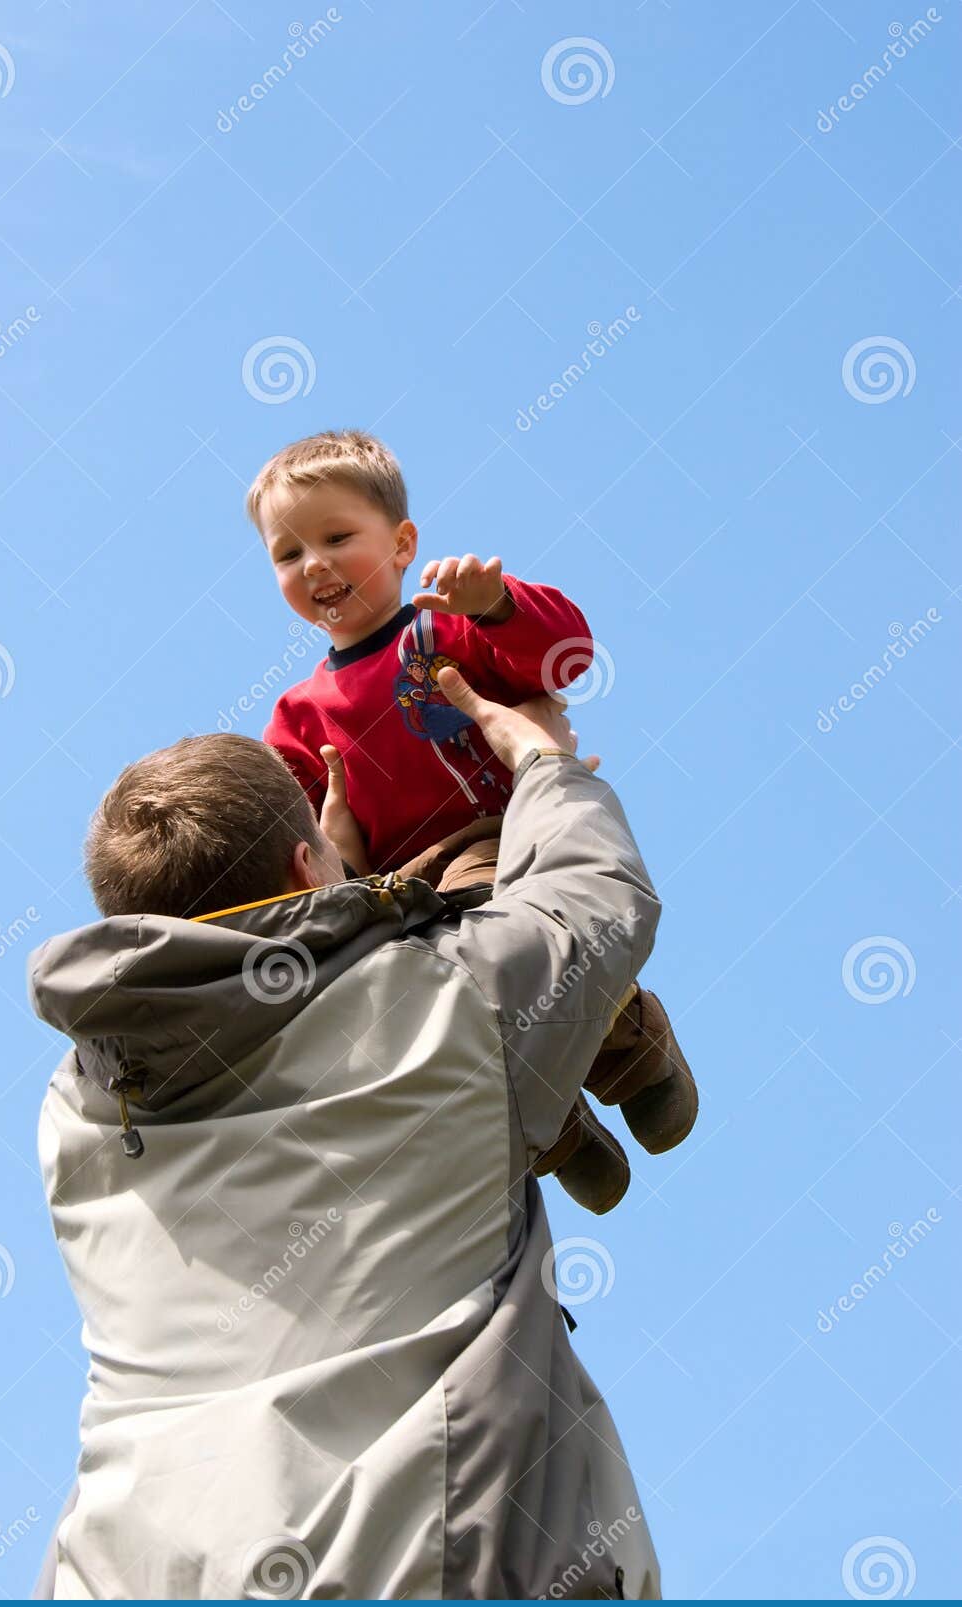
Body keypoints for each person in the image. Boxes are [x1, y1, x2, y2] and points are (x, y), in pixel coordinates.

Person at [29, 666, 662, 1599]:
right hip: (422, 1576)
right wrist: (540, 760)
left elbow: (234, 1003)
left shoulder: (73, 1108)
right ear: (302, 864)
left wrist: (327, 900)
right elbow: (597, 898)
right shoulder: (452, 999)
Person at [253, 429, 697, 1213]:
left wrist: (496, 605)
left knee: (505, 934)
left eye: (336, 538)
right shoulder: (298, 713)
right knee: (428, 1003)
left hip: (493, 837)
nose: (313, 564)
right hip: (394, 890)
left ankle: (630, 1049)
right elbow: (285, 829)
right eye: (288, 553)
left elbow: (566, 655)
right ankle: (556, 1135)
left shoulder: (443, 632)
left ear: (401, 544)